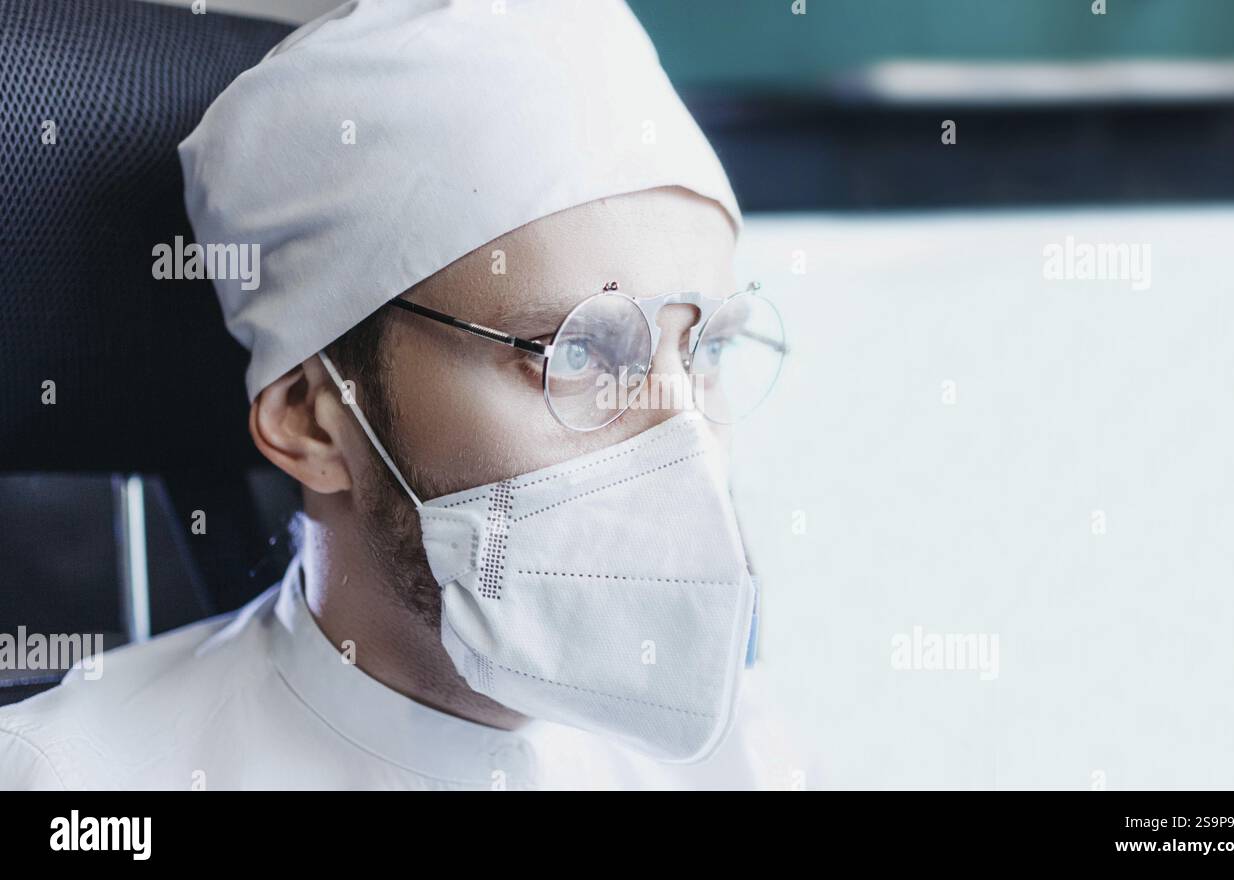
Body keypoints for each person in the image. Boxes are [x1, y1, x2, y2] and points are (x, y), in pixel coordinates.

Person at [0, 0, 795, 790]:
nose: (678, 436)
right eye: (575, 351)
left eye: (707, 348)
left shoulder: (744, 757)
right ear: (313, 416)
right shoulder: (69, 785)